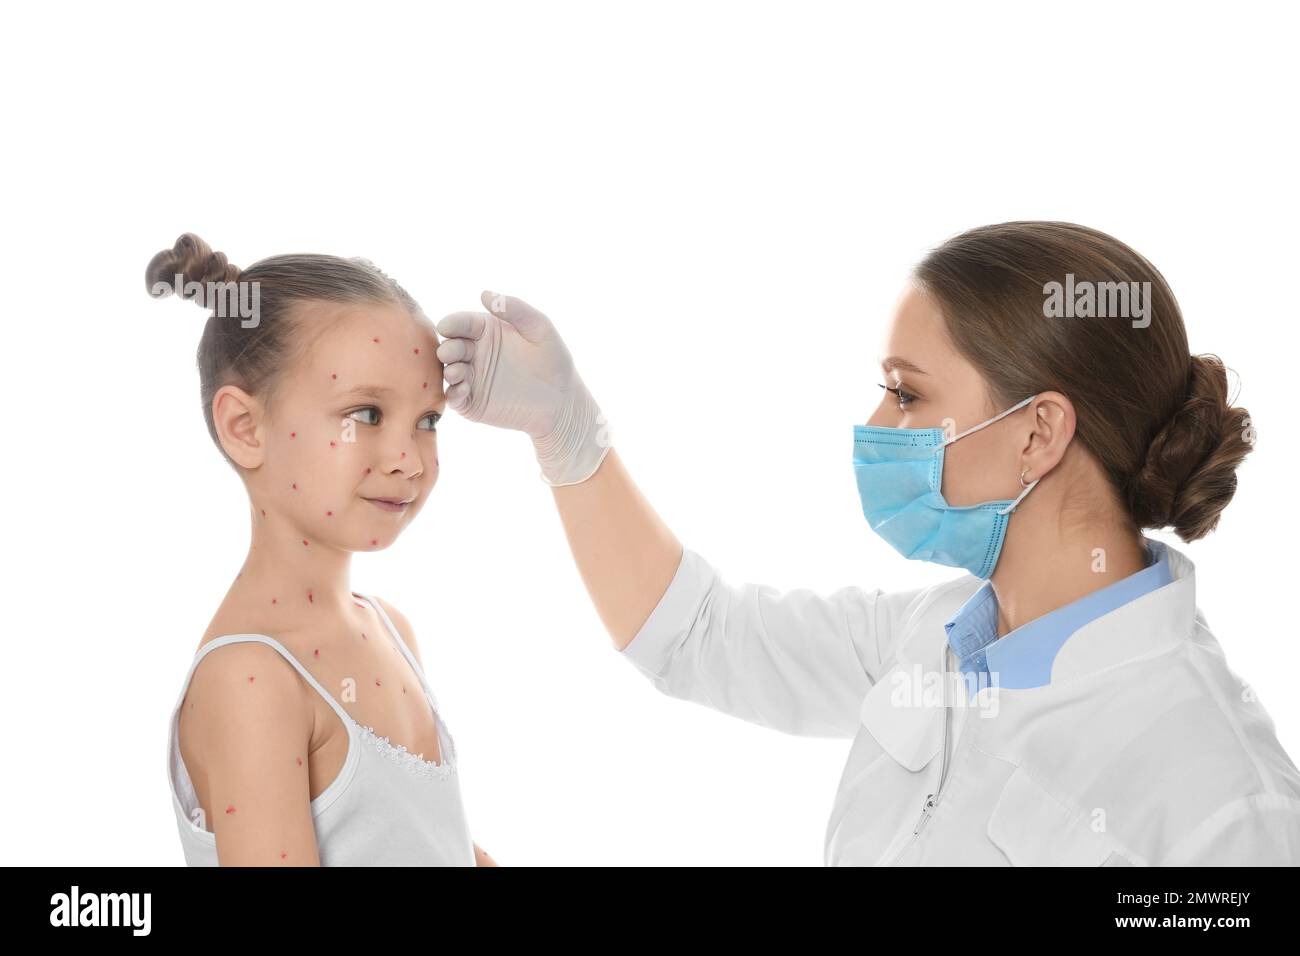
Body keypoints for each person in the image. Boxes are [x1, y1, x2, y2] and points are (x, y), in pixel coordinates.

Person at [435, 220, 1300, 865]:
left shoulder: (1226, 801)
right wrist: (568, 433)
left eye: (908, 395)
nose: (877, 426)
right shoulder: (941, 636)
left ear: (1038, 432)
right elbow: (699, 637)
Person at [148, 234, 496, 866]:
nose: (408, 459)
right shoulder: (251, 682)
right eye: (365, 414)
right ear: (245, 428)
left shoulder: (391, 630)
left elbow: (428, 845)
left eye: (428, 420)